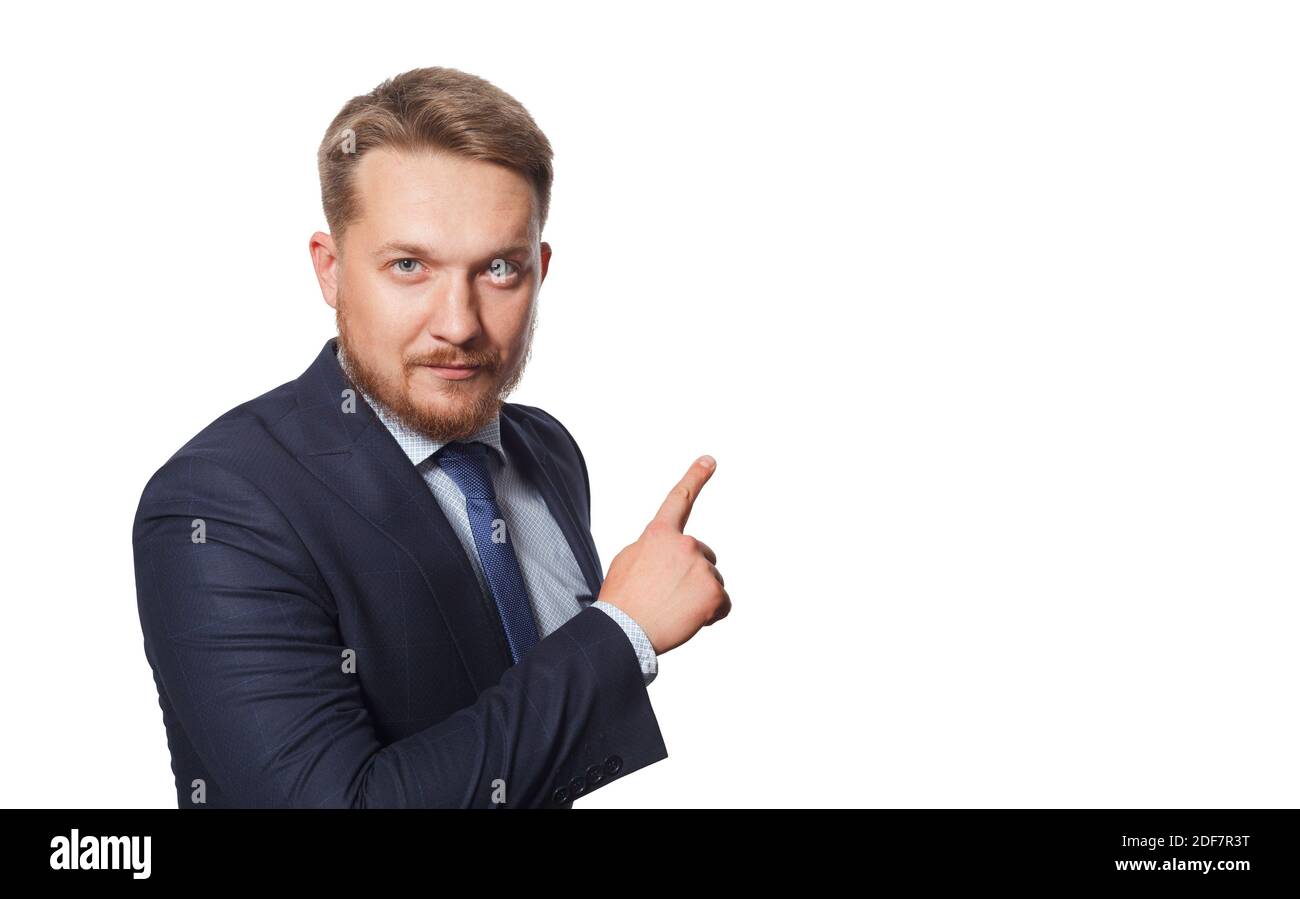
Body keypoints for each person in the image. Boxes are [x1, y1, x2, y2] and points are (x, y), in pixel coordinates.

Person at [131, 66, 730, 808]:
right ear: (330, 269)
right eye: (409, 266)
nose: (458, 323)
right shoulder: (220, 503)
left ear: (540, 272)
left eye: (500, 269)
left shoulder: (546, 454)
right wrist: (621, 632)